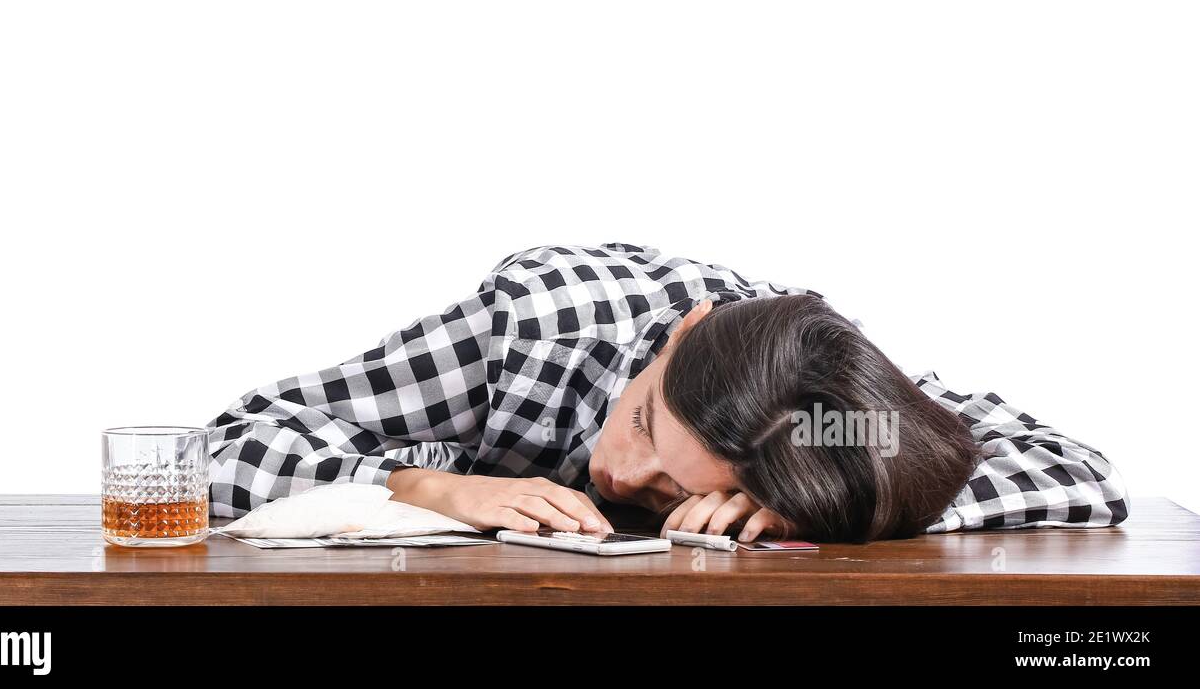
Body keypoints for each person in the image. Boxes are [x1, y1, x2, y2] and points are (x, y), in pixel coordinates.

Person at [205, 242, 1129, 542]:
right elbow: (225, 448)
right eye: (642, 421)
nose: (617, 470)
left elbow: (1077, 473)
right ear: (685, 334)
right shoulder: (540, 319)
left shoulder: (823, 402)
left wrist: (818, 506)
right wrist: (420, 489)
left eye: (677, 489)